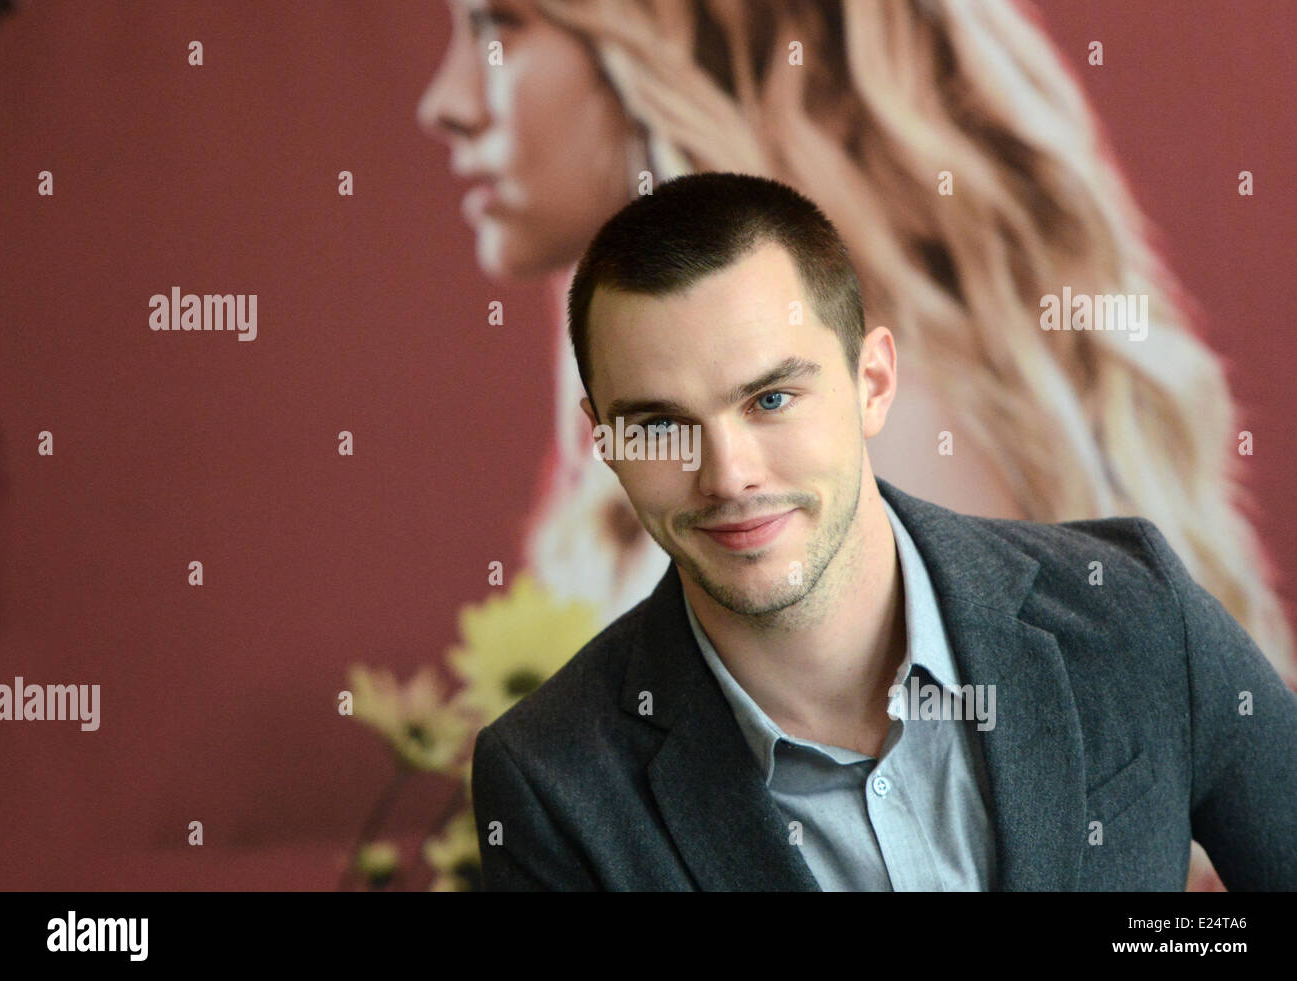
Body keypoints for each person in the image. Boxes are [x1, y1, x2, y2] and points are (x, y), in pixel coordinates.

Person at [420, 0, 1295, 888]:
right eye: (661, 424)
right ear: (602, 438)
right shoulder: (551, 782)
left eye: (770, 398)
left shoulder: (1134, 609)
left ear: (873, 382)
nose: (728, 475)